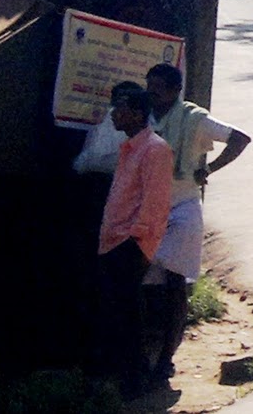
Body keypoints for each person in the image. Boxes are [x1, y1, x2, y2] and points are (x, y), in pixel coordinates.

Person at [142, 62, 252, 387]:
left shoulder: (194, 119)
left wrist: (210, 169)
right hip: (148, 210)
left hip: (182, 210)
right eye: (150, 88)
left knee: (175, 286)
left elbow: (240, 139)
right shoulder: (143, 115)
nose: (153, 95)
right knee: (145, 286)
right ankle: (144, 354)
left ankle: (165, 361)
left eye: (159, 90)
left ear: (175, 91)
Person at [94, 86, 174, 399]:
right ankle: (128, 375)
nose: (114, 113)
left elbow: (155, 201)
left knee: (128, 313)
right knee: (121, 311)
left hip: (130, 243)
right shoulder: (130, 147)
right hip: (116, 241)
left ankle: (134, 380)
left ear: (138, 113)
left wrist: (137, 240)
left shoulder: (154, 149)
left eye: (121, 108)